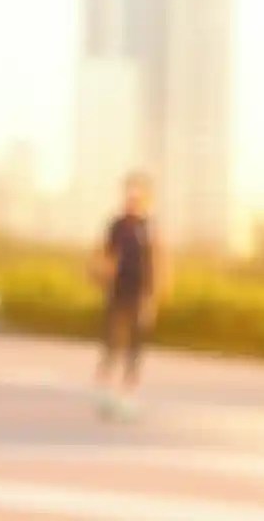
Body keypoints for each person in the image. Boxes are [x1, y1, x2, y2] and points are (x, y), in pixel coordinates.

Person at [90, 172, 167, 419]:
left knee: (136, 346)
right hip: (117, 291)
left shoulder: (150, 226)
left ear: (146, 197)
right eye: (130, 192)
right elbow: (106, 255)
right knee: (111, 342)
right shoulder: (117, 224)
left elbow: (157, 260)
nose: (133, 198)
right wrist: (101, 276)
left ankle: (127, 395)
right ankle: (103, 391)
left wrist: (153, 296)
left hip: (140, 293)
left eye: (138, 193)